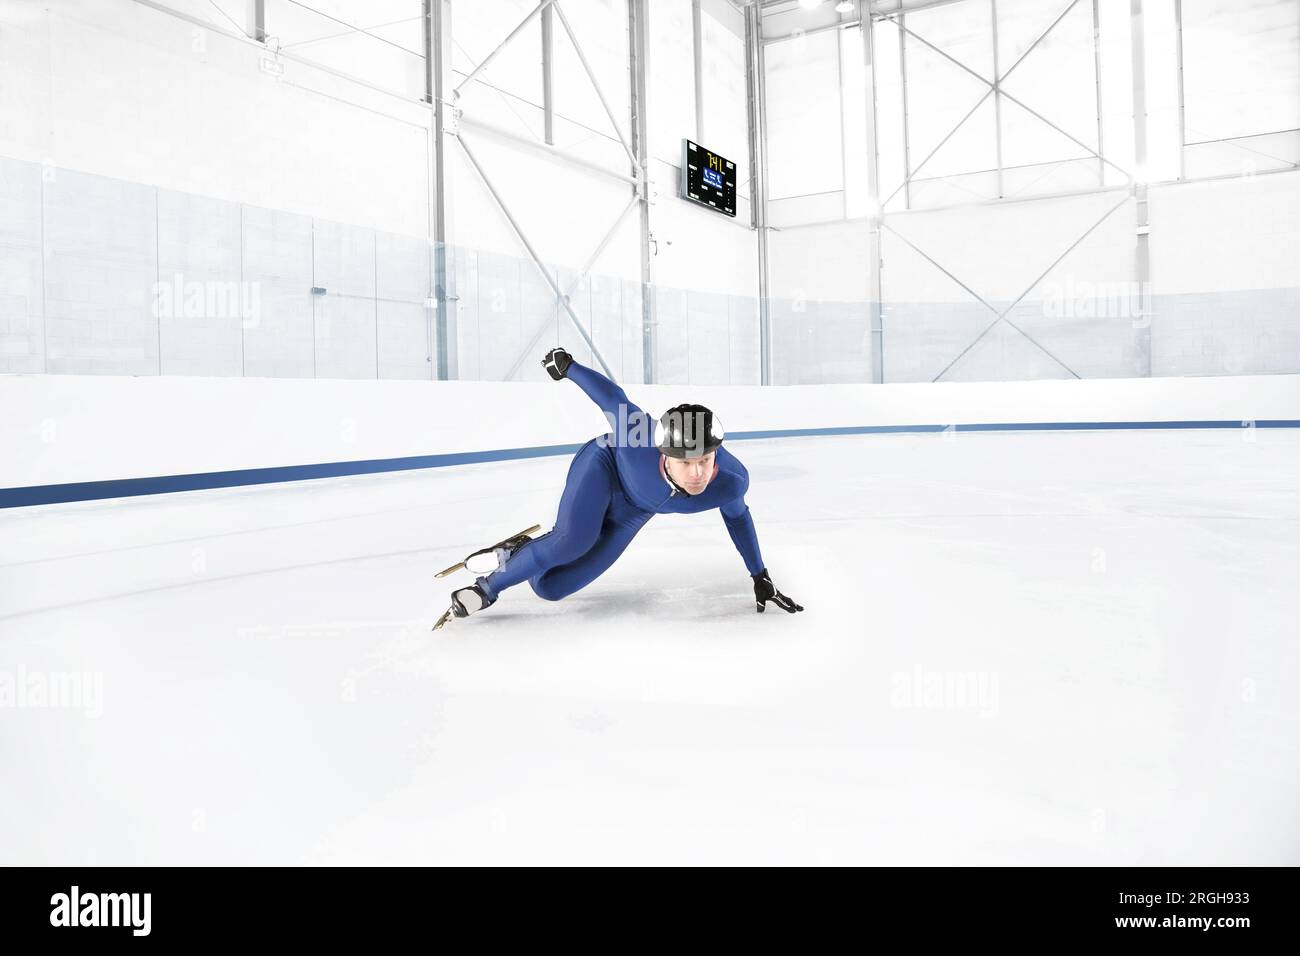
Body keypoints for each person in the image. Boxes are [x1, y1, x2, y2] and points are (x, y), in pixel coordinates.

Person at [438, 347, 803, 625]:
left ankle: (522, 552)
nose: (697, 474)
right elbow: (611, 398)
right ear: (664, 454)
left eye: (705, 461)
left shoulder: (730, 481)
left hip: (637, 510)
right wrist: (568, 367)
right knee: (572, 541)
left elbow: (738, 519)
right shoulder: (637, 437)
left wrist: (761, 575)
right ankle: (485, 589)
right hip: (603, 467)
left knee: (550, 588)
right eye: (686, 463)